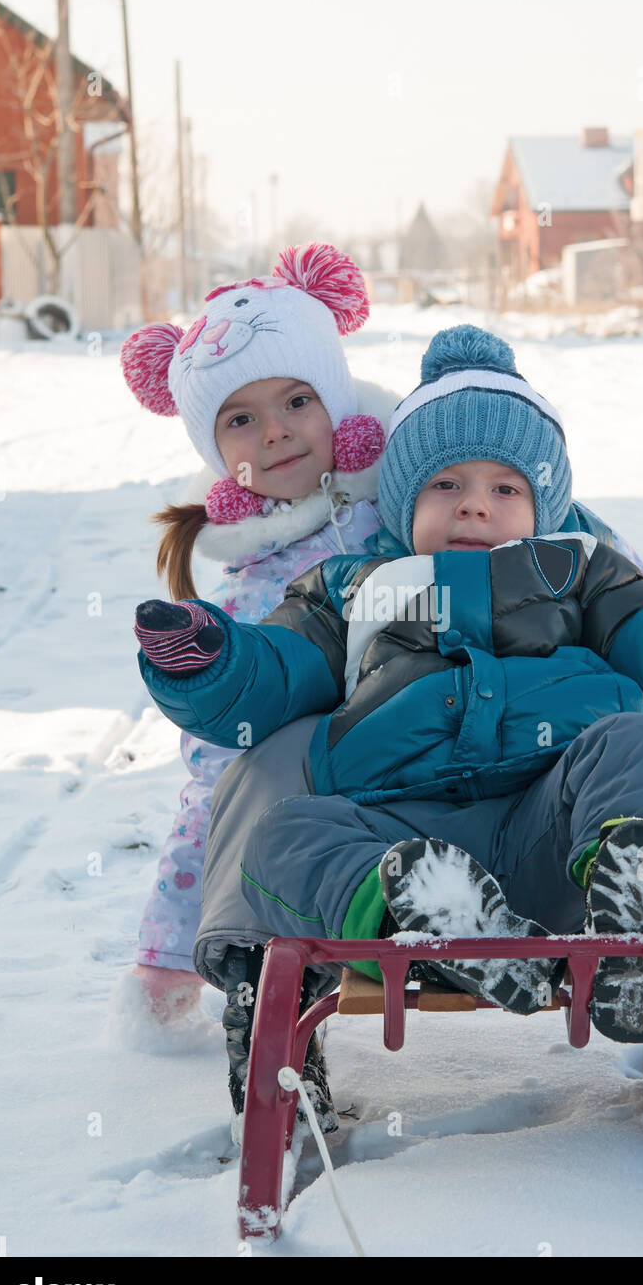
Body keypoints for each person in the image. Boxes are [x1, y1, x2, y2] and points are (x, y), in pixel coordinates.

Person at [133, 325, 643, 1134]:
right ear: (402, 503)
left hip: (563, 842)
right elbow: (269, 680)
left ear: (544, 507)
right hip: (395, 833)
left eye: (505, 489)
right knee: (283, 828)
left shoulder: (584, 571)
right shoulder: (348, 590)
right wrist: (206, 662)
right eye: (445, 484)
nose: (475, 503)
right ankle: (419, 911)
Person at [121, 244, 396, 1123]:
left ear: (339, 403)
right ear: (215, 451)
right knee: (250, 789)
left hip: (445, 754)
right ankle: (265, 969)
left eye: (296, 400)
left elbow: (565, 551)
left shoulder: (415, 493)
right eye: (238, 420)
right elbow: (213, 778)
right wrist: (170, 951)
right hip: (321, 791)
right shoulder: (251, 578)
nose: (274, 431)